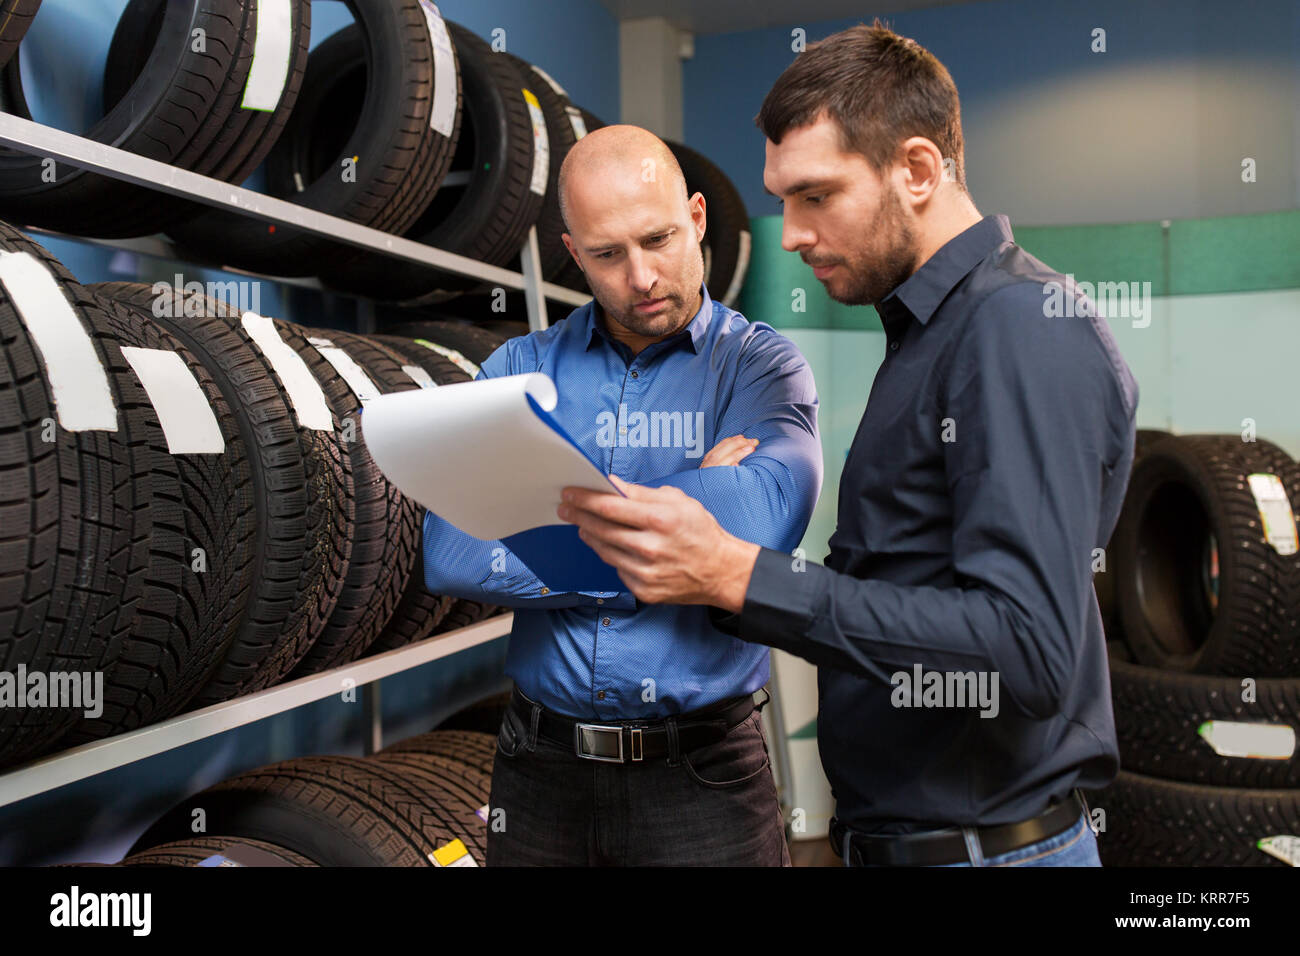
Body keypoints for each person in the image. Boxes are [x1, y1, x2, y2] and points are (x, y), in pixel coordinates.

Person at [559, 22, 1138, 867]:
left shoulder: (1017, 329)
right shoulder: (932, 332)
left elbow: (1027, 650)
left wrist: (733, 572)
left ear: (916, 170)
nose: (789, 233)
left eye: (815, 196)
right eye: (782, 198)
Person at [422, 124, 823, 865]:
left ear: (697, 219)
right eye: (608, 254)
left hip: (703, 774)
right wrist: (683, 515)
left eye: (660, 239)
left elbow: (765, 520)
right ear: (573, 254)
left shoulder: (761, 366)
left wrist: (550, 515)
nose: (641, 276)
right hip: (540, 770)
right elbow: (450, 551)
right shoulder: (519, 367)